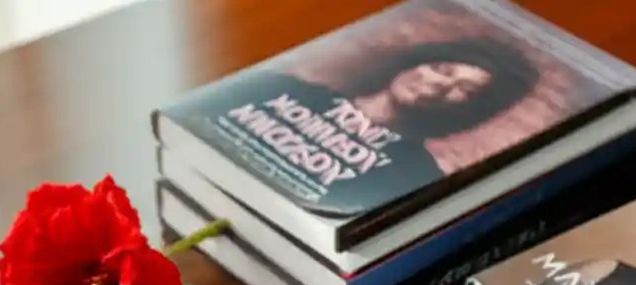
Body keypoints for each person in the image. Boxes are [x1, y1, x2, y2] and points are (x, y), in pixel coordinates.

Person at [171, 36, 539, 216]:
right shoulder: (278, 89)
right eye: (442, 69)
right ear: (418, 61)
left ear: (470, 110)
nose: (439, 85)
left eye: (465, 90)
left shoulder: (414, 175)